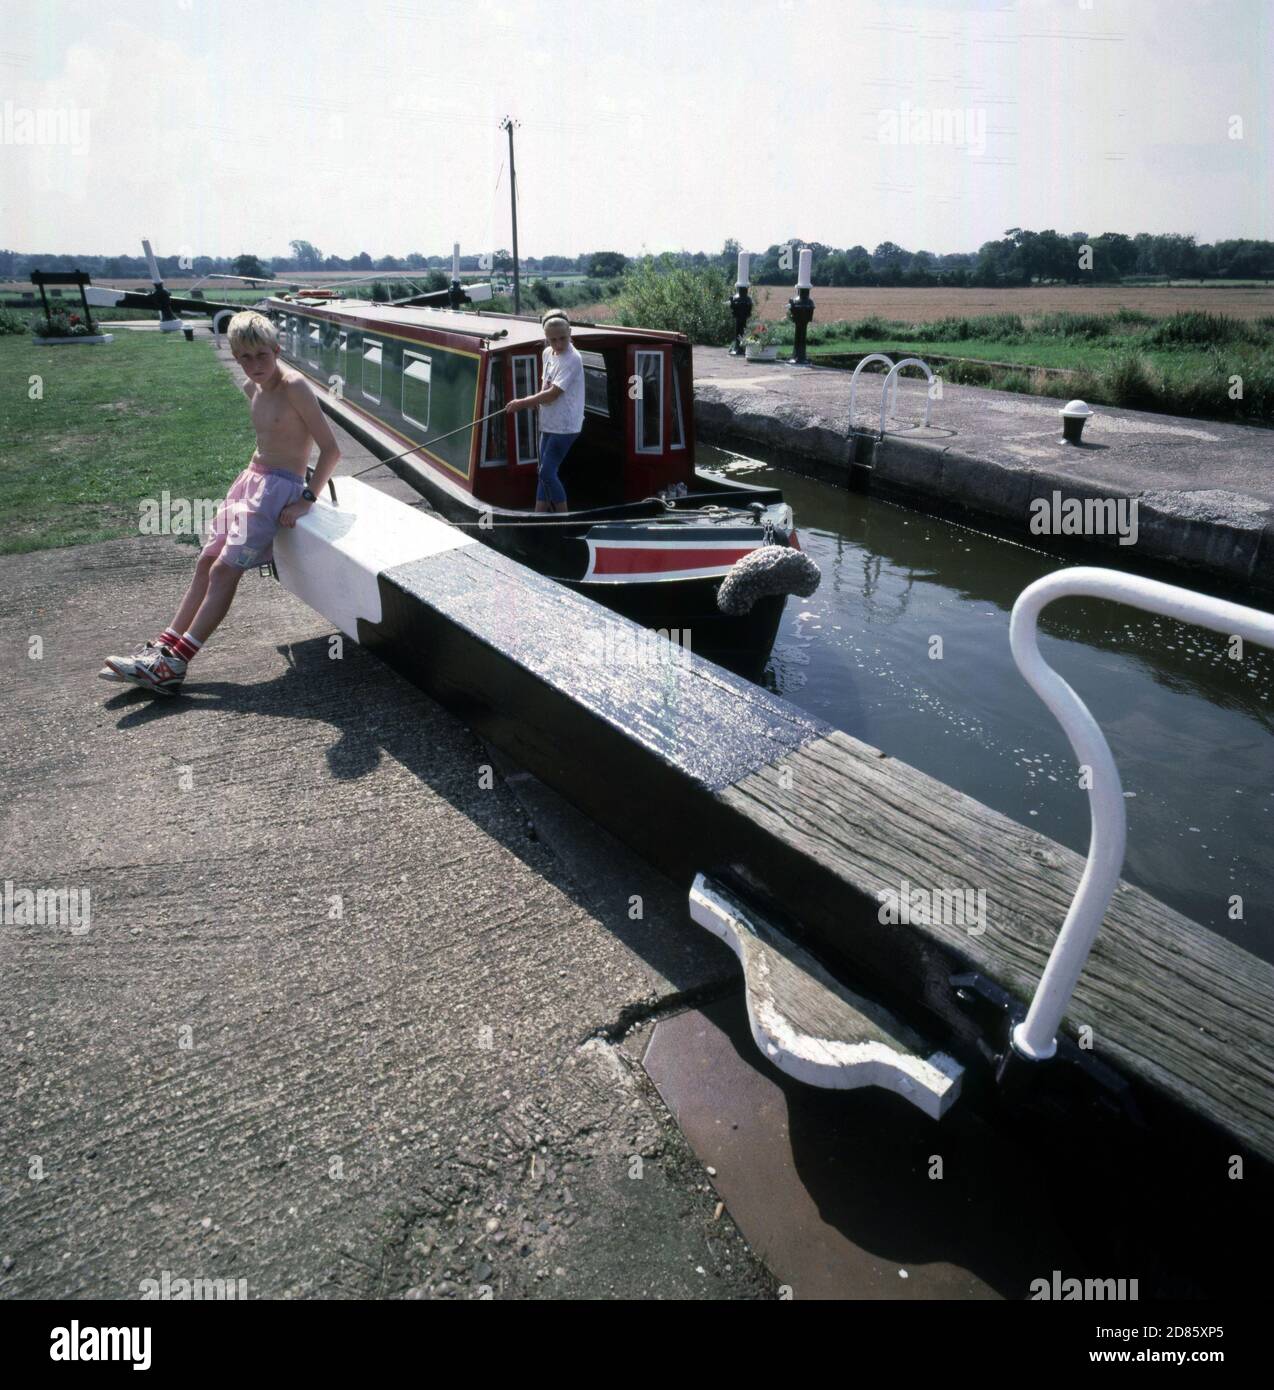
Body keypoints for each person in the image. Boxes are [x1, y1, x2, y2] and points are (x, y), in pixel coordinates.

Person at [101, 310, 341, 695]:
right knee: (206, 562)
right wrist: (249, 480)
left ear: (277, 350)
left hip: (278, 491)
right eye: (244, 357)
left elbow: (331, 450)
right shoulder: (253, 390)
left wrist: (305, 501)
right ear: (234, 355)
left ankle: (174, 665)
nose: (254, 365)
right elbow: (267, 440)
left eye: (261, 355)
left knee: (224, 572)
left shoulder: (295, 386)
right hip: (250, 484)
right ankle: (163, 646)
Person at [505, 309, 584, 513]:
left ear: (570, 333)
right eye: (552, 340)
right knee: (543, 472)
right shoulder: (547, 353)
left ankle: (563, 519)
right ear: (546, 339)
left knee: (548, 473)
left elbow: (553, 394)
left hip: (566, 426)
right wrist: (535, 402)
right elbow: (545, 386)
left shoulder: (573, 359)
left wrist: (523, 402)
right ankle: (539, 513)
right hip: (548, 422)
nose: (557, 344)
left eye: (562, 339)